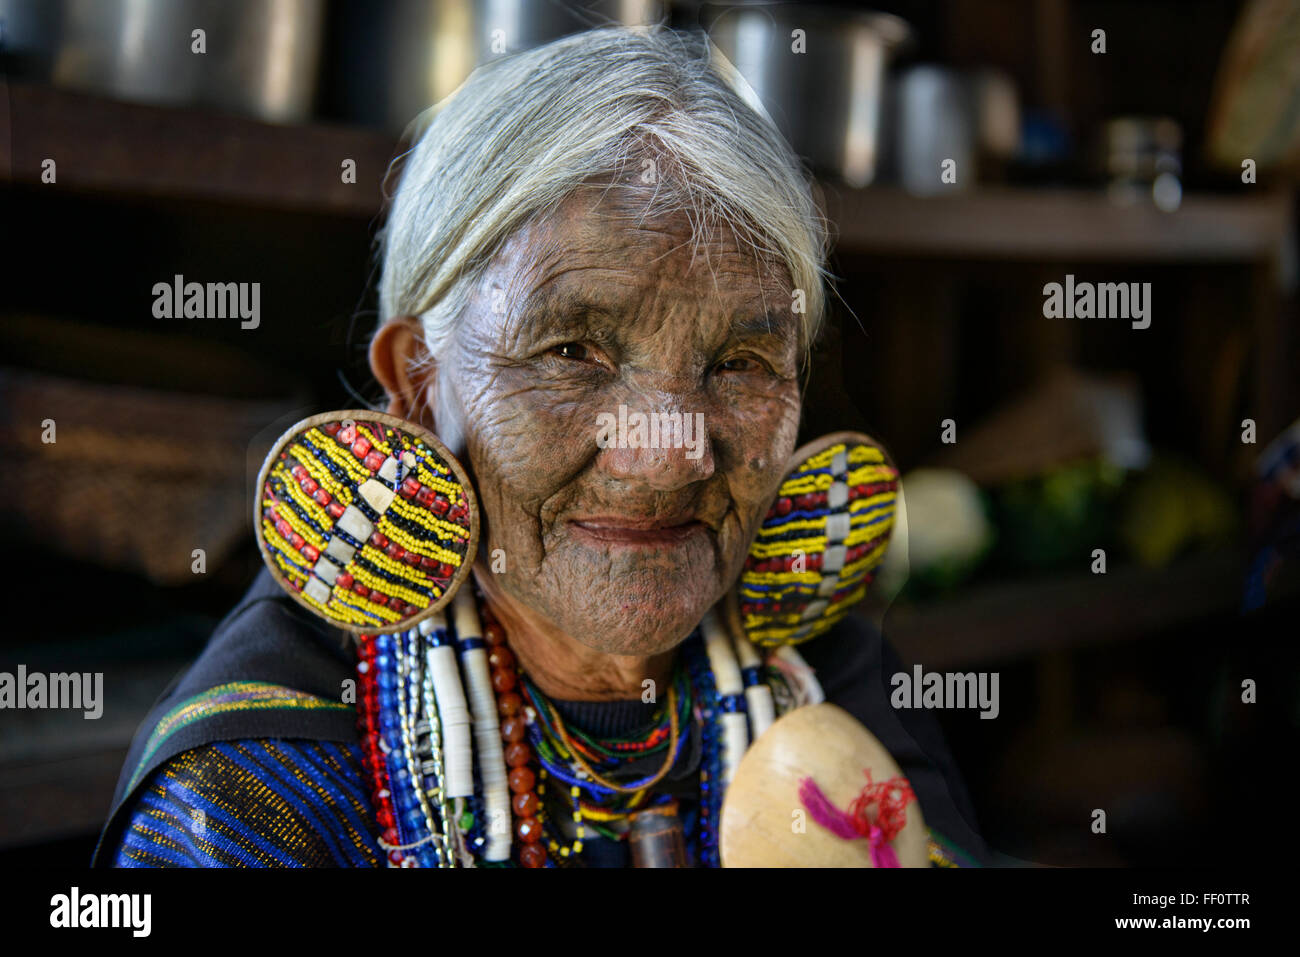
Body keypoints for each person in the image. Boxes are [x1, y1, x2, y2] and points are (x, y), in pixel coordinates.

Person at [94, 25, 987, 868]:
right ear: (418, 383)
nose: (669, 455)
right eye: (572, 354)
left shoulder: (833, 680)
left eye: (741, 363)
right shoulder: (249, 791)